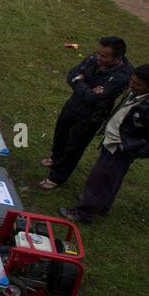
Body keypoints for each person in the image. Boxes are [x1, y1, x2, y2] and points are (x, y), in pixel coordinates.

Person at [61, 64, 149, 224]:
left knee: (99, 179)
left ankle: (84, 213)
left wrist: (134, 149)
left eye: (137, 84)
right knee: (112, 178)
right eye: (132, 81)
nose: (132, 86)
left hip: (120, 149)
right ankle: (102, 205)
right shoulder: (139, 94)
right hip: (114, 143)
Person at [40, 36, 133, 190]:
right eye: (98, 53)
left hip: (91, 115)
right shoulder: (94, 58)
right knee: (61, 134)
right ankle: (55, 159)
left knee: (74, 146)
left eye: (103, 56)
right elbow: (72, 74)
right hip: (74, 103)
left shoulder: (122, 76)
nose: (98, 57)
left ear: (117, 58)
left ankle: (57, 177)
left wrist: (81, 81)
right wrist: (85, 86)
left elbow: (94, 98)